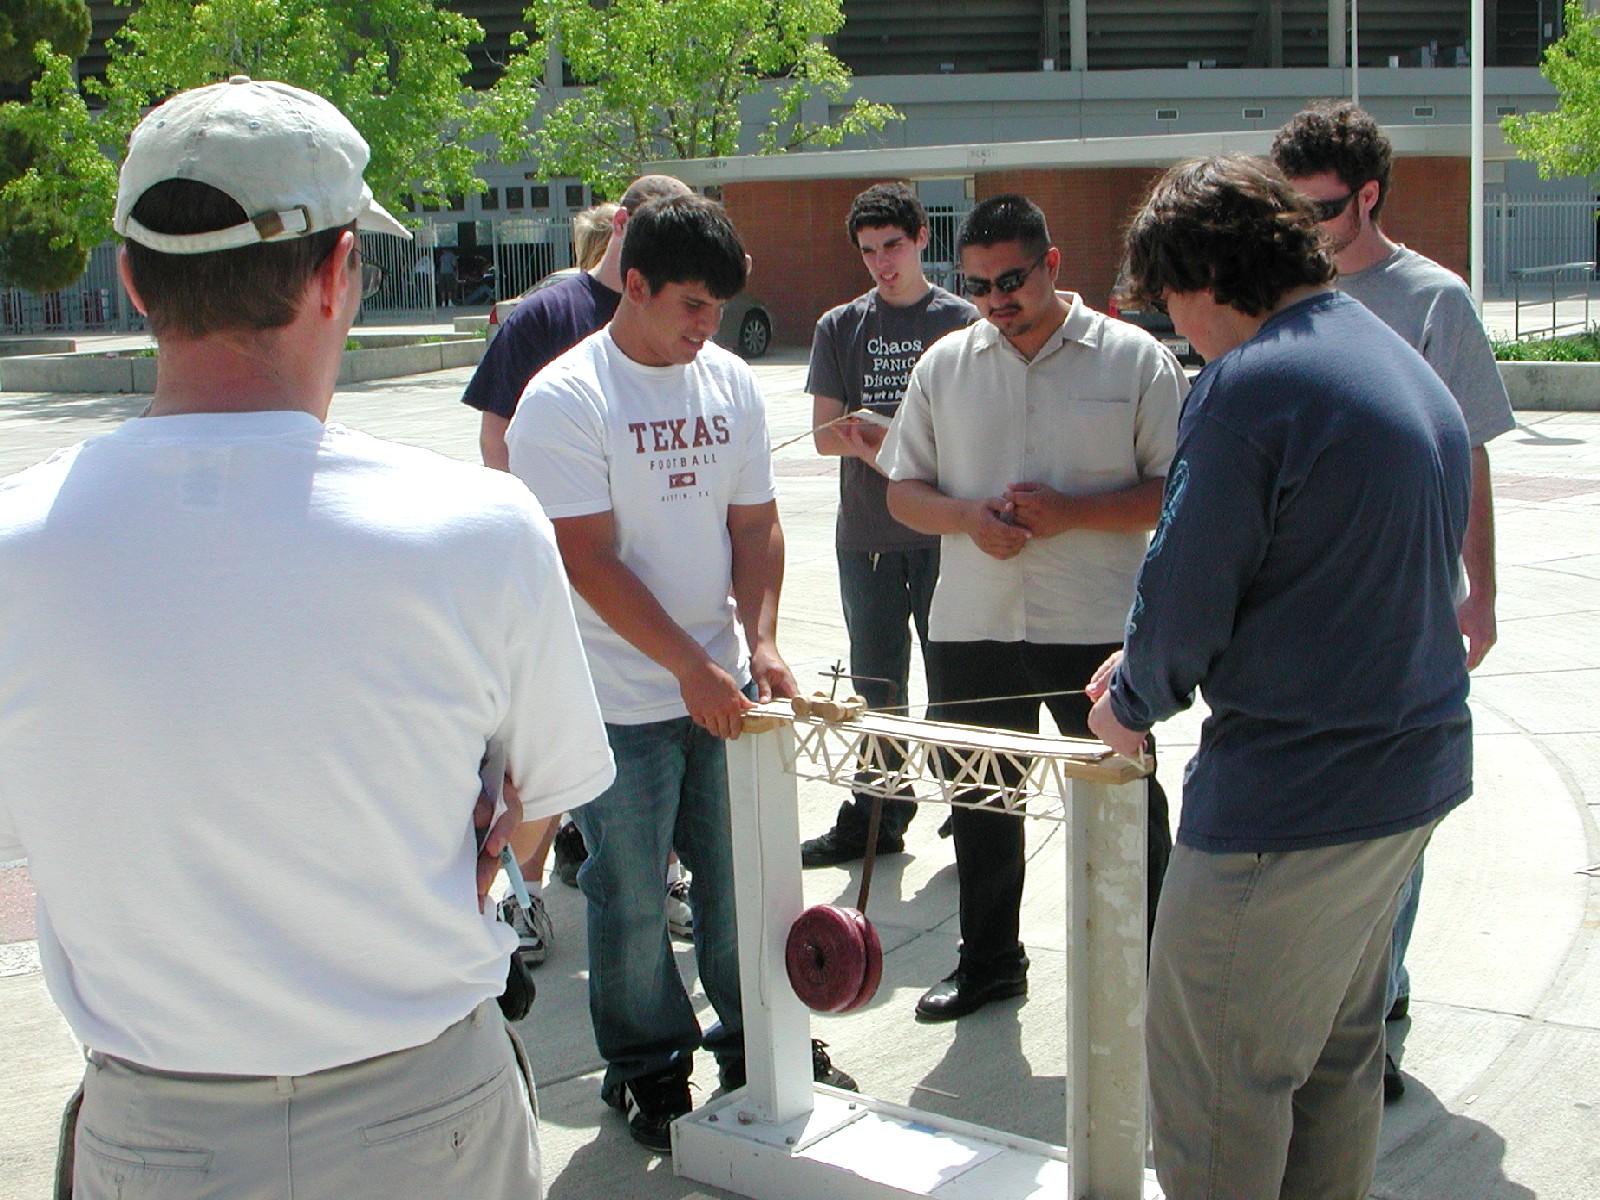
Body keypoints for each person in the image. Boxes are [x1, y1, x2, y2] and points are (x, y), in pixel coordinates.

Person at [0, 77, 615, 1199]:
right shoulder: (477, 527)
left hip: (155, 1132)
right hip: (428, 1121)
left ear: (133, 279)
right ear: (340, 273)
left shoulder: (14, 547)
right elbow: (542, 801)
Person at [1088, 154, 1473, 1200]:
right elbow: (1345, 572)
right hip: (1410, 776)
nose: (1178, 330)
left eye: (1172, 303)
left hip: (1290, 802)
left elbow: (1182, 594)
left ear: (1207, 277)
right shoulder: (1393, 360)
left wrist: (1128, 703)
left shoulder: (1248, 387)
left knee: (1216, 1082)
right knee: (1335, 1058)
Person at [505, 194, 855, 1153]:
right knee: (626, 894)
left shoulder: (731, 385)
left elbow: (756, 524)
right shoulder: (567, 401)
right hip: (616, 699)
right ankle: (649, 1069)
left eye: (718, 307)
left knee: (744, 881)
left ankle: (759, 1046)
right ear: (636, 284)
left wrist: (764, 642)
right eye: (692, 305)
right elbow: (587, 561)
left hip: (721, 684)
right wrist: (690, 668)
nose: (709, 326)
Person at [878, 193, 1185, 1021]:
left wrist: (1075, 512)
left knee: (1123, 801)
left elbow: (1180, 491)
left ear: (1052, 265)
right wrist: (966, 521)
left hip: (1094, 631)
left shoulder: (1133, 361)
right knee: (982, 802)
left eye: (1010, 280)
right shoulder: (946, 364)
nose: (994, 301)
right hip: (972, 623)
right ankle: (988, 963)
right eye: (976, 285)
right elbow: (904, 492)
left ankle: (1159, 973)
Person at [1271, 101, 1515, 1100]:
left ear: (1368, 195)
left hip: (1408, 606)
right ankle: (1325, 1002)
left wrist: (1481, 593)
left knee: (1391, 825)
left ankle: (1373, 1014)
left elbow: (1473, 461)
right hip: (1298, 607)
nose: (1302, 228)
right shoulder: (1278, 292)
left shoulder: (1432, 301)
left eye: (1320, 209)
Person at [462, 175, 691, 962]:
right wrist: (536, 547)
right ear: (623, 226)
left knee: (644, 757)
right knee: (544, 755)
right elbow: (498, 440)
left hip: (647, 592)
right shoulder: (546, 318)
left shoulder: (678, 323)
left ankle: (657, 877)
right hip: (560, 583)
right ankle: (519, 900)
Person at [799, 182, 977, 867]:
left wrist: (886, 443)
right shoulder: (840, 327)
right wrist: (892, 446)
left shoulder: (960, 320)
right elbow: (822, 434)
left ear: (922, 238)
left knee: (957, 680)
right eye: (869, 251)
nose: (881, 263)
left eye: (893, 246)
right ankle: (878, 810)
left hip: (942, 534)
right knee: (878, 686)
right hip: (868, 538)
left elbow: (972, 432)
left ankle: (970, 806)